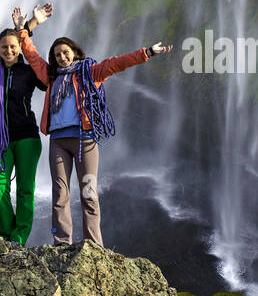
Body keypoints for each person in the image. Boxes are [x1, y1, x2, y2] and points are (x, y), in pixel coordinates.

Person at [17, 17, 173, 247]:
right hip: (59, 142)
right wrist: (23, 30)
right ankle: (62, 241)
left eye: (65, 52)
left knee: (89, 191)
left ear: (75, 52)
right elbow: (31, 55)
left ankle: (93, 243)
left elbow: (118, 63)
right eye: (58, 54)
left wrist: (147, 52)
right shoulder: (50, 76)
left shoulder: (91, 72)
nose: (62, 57)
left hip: (85, 141)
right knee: (60, 193)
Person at [0, 4, 52, 245]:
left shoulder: (30, 72)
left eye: (13, 47)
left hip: (27, 138)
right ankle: (6, 236)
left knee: (25, 191)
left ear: (19, 49)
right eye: (4, 47)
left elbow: (48, 78)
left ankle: (19, 237)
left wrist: (28, 29)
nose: (8, 51)